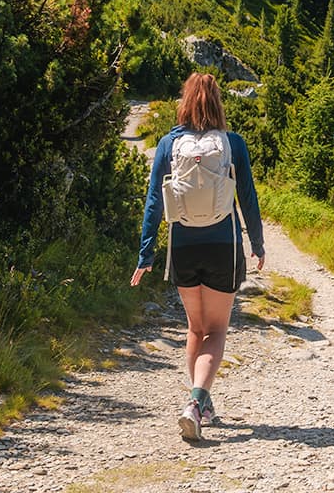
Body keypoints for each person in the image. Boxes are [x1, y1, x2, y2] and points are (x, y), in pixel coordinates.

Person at [131, 72, 265, 442]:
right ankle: (196, 401)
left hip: (183, 246)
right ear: (218, 104)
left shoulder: (168, 144)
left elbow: (154, 202)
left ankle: (200, 403)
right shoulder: (233, 144)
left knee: (195, 328)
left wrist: (146, 255)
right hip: (224, 245)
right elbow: (248, 199)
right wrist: (258, 243)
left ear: (184, 102)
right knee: (217, 330)